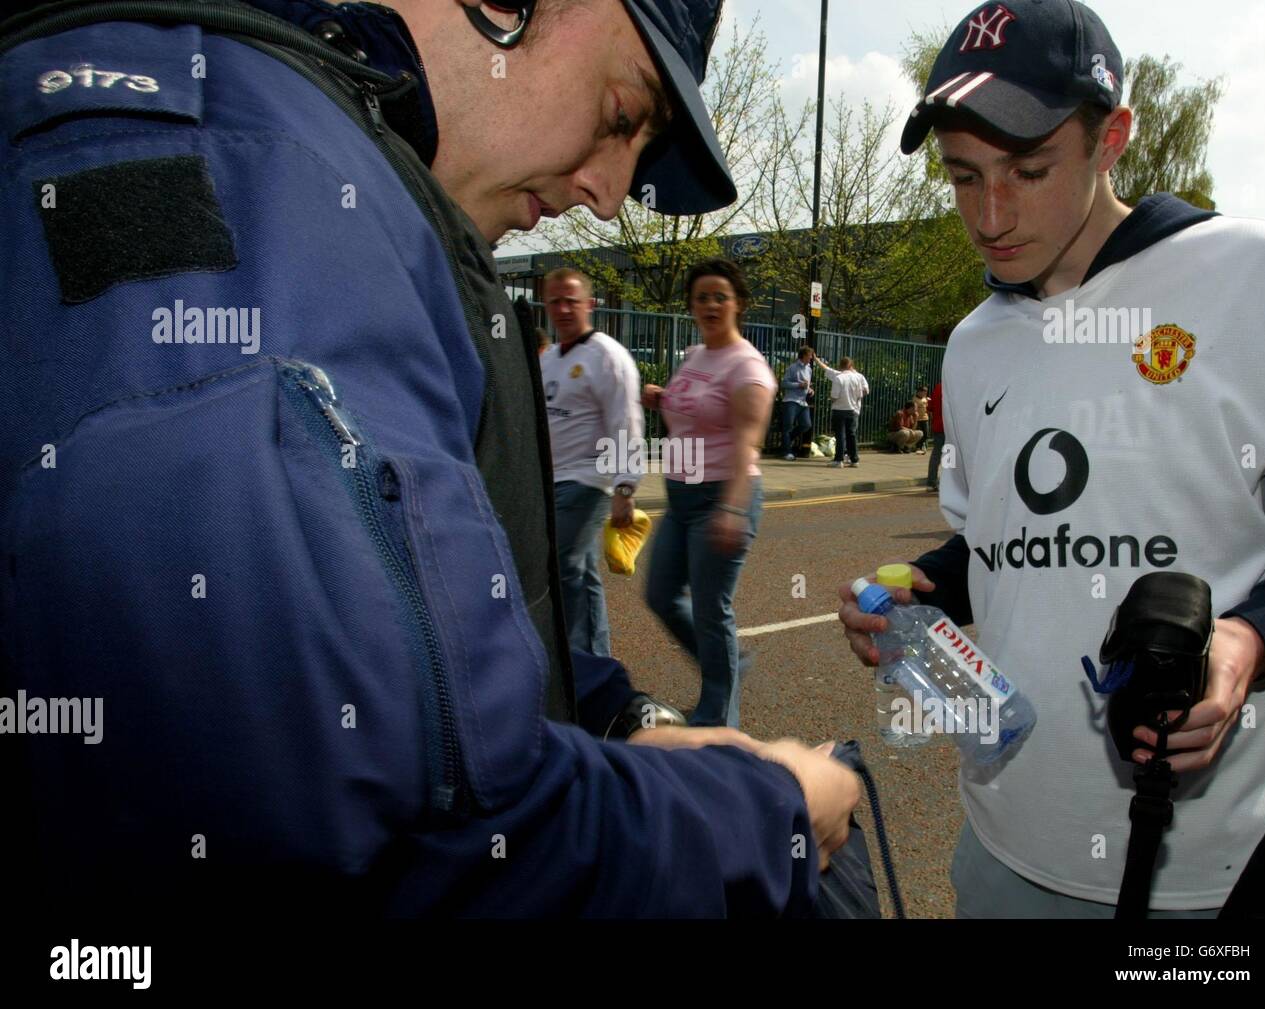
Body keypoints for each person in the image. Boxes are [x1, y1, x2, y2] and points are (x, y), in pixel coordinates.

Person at [0, 0, 863, 917]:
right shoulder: (238, 181)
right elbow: (399, 844)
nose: (611, 192)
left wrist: (614, 715)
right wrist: (770, 812)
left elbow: (443, 614)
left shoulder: (348, 184)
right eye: (621, 115)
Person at [838, 0, 1265, 918]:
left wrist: (1252, 639)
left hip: (1214, 872)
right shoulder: (973, 344)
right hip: (1005, 850)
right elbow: (999, 545)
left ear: (1112, 138)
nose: (992, 215)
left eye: (1030, 169)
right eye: (964, 177)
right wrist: (918, 587)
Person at [641, 259, 776, 728]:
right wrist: (662, 398)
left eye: (721, 296)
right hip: (680, 501)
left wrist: (733, 508)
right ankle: (727, 663)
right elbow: (691, 413)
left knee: (709, 610)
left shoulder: (748, 368)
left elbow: (747, 442)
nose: (711, 304)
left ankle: (720, 720)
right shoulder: (696, 355)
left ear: (738, 303)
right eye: (702, 297)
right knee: (660, 595)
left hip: (722, 497)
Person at [541, 267, 641, 657]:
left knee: (563, 565)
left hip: (589, 480)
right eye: (555, 301)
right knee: (581, 572)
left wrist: (625, 487)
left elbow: (625, 421)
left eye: (572, 300)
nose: (564, 309)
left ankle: (577, 662)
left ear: (590, 304)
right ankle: (596, 661)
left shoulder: (608, 356)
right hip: (553, 480)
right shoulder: (550, 357)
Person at [813, 354, 869, 467]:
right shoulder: (858, 377)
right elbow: (863, 392)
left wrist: (832, 400)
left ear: (840, 366)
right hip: (853, 410)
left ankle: (839, 460)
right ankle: (854, 459)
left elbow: (834, 396)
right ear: (851, 365)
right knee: (851, 435)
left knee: (840, 435)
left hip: (839, 409)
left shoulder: (839, 378)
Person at [779, 346, 815, 461]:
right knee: (788, 426)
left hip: (802, 402)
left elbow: (807, 385)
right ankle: (786, 452)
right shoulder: (793, 367)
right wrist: (798, 385)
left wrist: (809, 390)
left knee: (806, 424)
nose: (811, 358)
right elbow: (784, 383)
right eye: (810, 355)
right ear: (804, 355)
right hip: (791, 400)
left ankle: (787, 441)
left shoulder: (809, 369)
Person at [926, 380, 944, 492]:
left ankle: (931, 481)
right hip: (949, 427)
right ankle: (948, 482)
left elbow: (930, 407)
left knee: (936, 455)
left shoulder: (938, 387)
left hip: (938, 425)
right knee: (949, 456)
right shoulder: (956, 387)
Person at [912, 384, 930, 453]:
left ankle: (923, 445)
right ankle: (918, 447)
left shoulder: (926, 399)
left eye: (926, 392)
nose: (925, 393)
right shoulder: (914, 399)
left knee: (926, 434)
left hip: (925, 418)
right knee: (919, 434)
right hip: (918, 419)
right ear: (919, 392)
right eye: (924, 391)